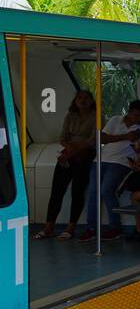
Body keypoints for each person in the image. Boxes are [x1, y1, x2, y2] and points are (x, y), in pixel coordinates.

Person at [81, 99, 140, 243]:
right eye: (136, 115)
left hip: (121, 162)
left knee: (106, 190)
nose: (139, 119)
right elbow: (103, 138)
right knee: (93, 192)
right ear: (129, 113)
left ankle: (115, 227)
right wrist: (125, 137)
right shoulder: (115, 120)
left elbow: (137, 143)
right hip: (100, 159)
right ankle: (91, 228)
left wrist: (120, 140)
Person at [34, 90, 97, 241]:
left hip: (85, 154)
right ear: (75, 101)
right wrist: (69, 148)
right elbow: (62, 137)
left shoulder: (96, 116)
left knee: (77, 190)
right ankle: (49, 226)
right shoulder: (70, 116)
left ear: (91, 101)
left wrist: (75, 149)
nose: (82, 101)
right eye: (79, 98)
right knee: (57, 190)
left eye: (86, 98)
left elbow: (93, 139)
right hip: (69, 151)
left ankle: (71, 226)